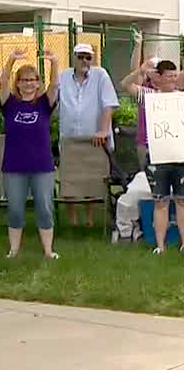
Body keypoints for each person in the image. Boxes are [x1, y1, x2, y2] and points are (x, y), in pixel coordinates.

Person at [122, 59, 184, 254]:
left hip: (182, 155)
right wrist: (140, 69)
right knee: (160, 201)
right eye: (170, 76)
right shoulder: (149, 96)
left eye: (175, 75)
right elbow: (126, 85)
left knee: (182, 199)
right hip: (156, 156)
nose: (174, 79)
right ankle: (160, 246)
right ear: (159, 78)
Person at [1, 50, 60, 259]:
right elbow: (3, 81)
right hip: (14, 167)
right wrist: (10, 60)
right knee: (16, 210)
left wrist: (54, 62)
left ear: (37, 83)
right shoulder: (9, 105)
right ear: (18, 83)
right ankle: (14, 250)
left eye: (32, 80)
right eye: (24, 80)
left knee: (44, 208)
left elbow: (54, 85)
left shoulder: (44, 104)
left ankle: (48, 251)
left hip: (42, 166)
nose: (28, 83)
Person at [57, 43, 119, 227]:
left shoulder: (101, 75)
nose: (84, 61)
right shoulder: (62, 76)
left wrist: (102, 130)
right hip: (70, 138)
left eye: (88, 57)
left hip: (95, 139)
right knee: (70, 180)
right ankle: (73, 222)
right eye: (80, 56)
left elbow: (109, 105)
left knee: (93, 179)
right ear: (73, 57)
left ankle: (90, 220)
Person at [128, 30, 184, 169]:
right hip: (145, 142)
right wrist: (138, 45)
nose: (151, 71)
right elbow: (134, 69)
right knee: (148, 178)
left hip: (169, 142)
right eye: (149, 68)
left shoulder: (173, 87)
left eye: (155, 68)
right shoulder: (145, 89)